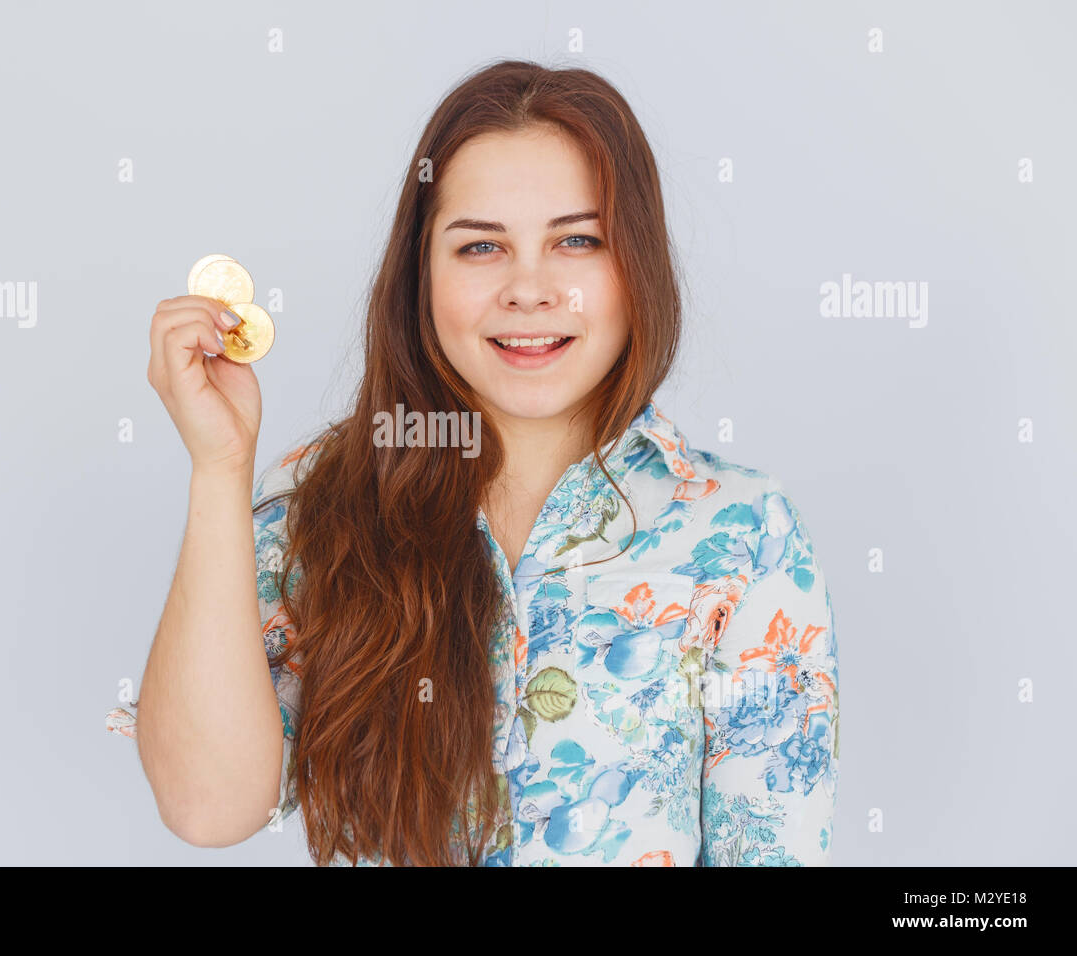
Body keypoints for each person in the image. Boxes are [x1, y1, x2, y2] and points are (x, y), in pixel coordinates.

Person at [129, 58, 840, 867]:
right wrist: (219, 468)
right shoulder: (315, 504)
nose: (529, 290)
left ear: (634, 263)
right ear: (419, 274)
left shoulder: (742, 533)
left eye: (577, 240)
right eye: (480, 248)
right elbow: (207, 805)